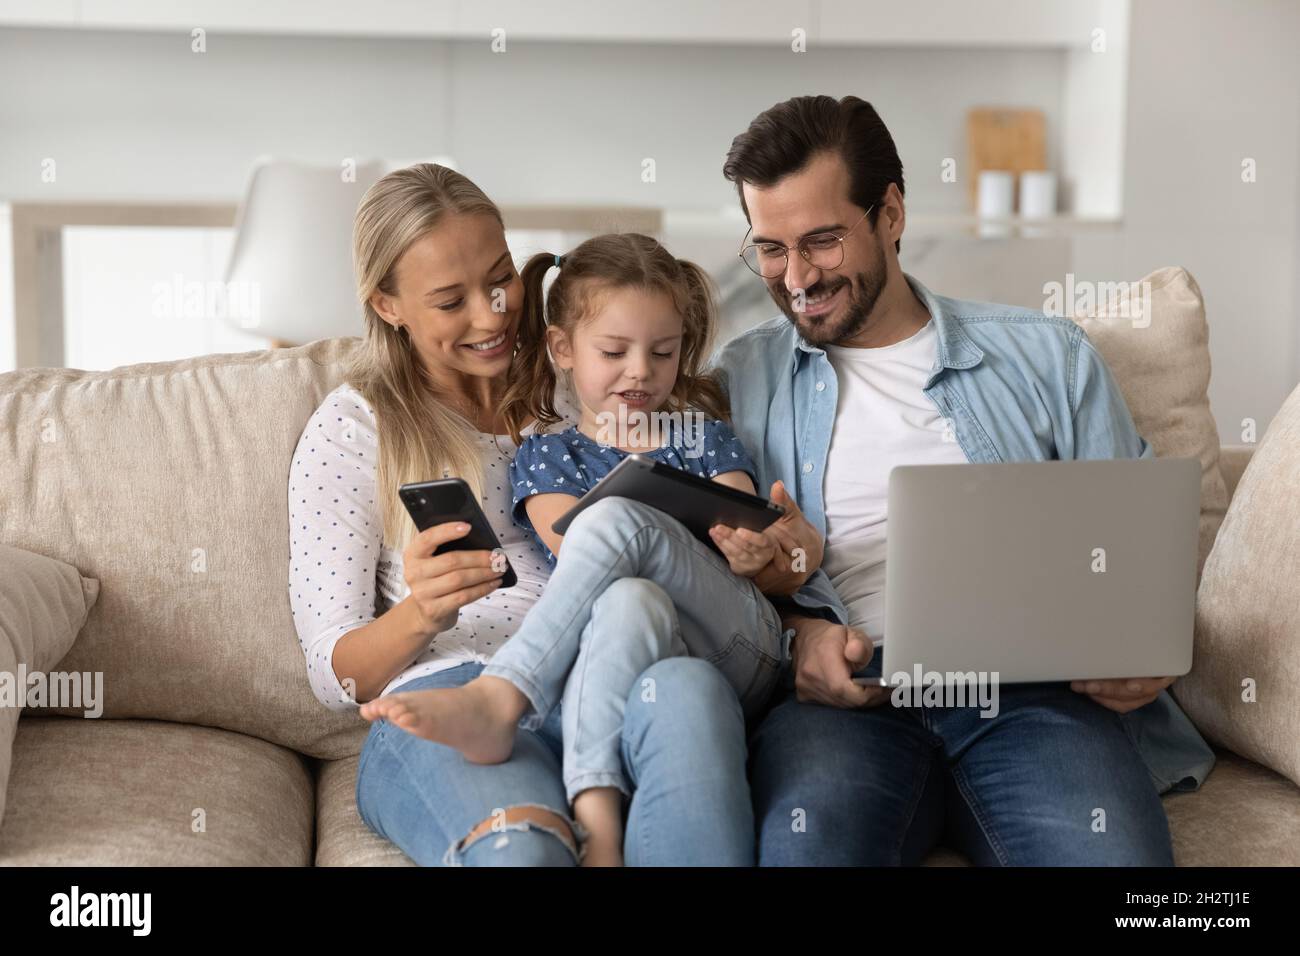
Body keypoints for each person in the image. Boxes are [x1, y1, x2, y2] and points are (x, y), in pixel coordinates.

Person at [711, 94, 1216, 865]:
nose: (798, 277)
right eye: (771, 248)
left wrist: (1144, 648)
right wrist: (795, 636)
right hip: (844, 704)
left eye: (821, 240)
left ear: (891, 214)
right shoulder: (737, 381)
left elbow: (1140, 548)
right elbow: (702, 576)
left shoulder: (1047, 356)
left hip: (1033, 700)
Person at [288, 164, 759, 866]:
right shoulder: (355, 431)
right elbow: (336, 677)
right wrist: (421, 611)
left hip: (619, 665)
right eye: (451, 301)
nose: (493, 313)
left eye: (500, 278)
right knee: (525, 856)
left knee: (691, 695)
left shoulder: (584, 385)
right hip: (455, 685)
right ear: (388, 304)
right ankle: (501, 706)